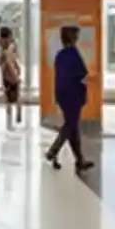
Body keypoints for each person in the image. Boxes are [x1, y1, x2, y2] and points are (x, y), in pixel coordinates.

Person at [45, 25, 94, 172]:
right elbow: (82, 75)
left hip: (62, 95)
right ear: (73, 37)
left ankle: (80, 160)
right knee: (70, 125)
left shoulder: (60, 55)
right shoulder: (73, 54)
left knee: (73, 127)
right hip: (73, 95)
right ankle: (53, 151)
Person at [0, 26, 22, 129]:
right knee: (10, 101)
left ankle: (16, 115)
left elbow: (12, 62)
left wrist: (16, 72)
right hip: (8, 79)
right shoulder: (4, 51)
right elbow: (4, 64)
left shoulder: (8, 50)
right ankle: (10, 122)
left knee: (13, 100)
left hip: (11, 79)